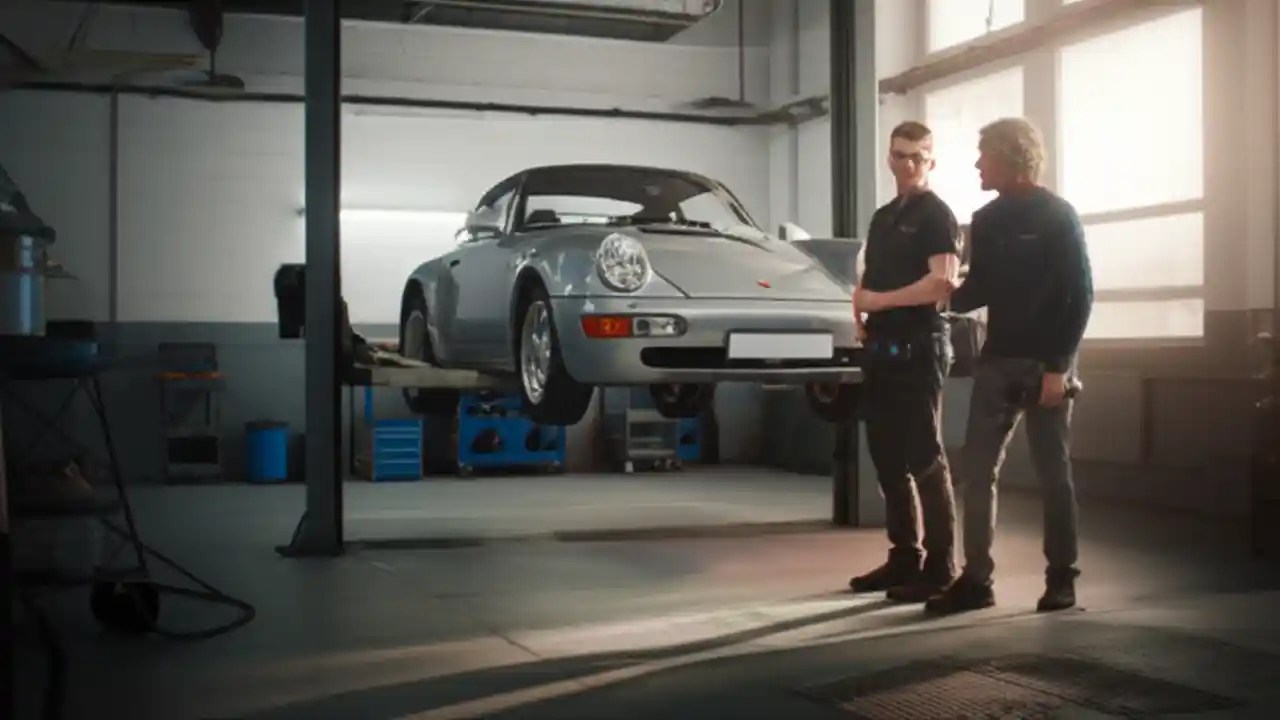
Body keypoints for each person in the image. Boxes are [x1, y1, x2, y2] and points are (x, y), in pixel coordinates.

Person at [924, 117, 1094, 615]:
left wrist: (1058, 369)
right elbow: (983, 289)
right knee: (977, 472)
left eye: (984, 155)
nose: (977, 164)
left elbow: (1079, 296)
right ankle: (976, 581)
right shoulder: (988, 219)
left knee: (1052, 474)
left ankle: (1062, 579)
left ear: (1011, 158)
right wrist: (938, 296)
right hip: (997, 363)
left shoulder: (1059, 217)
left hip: (1047, 365)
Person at [848, 121, 962, 603]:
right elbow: (867, 282)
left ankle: (940, 567)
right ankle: (904, 557)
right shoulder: (882, 218)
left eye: (919, 156)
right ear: (889, 158)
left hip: (920, 348)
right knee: (887, 457)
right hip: (882, 350)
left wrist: (878, 301)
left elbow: (942, 284)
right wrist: (862, 312)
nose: (909, 165)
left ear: (931, 161)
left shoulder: (937, 215)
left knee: (924, 457)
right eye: (900, 155)